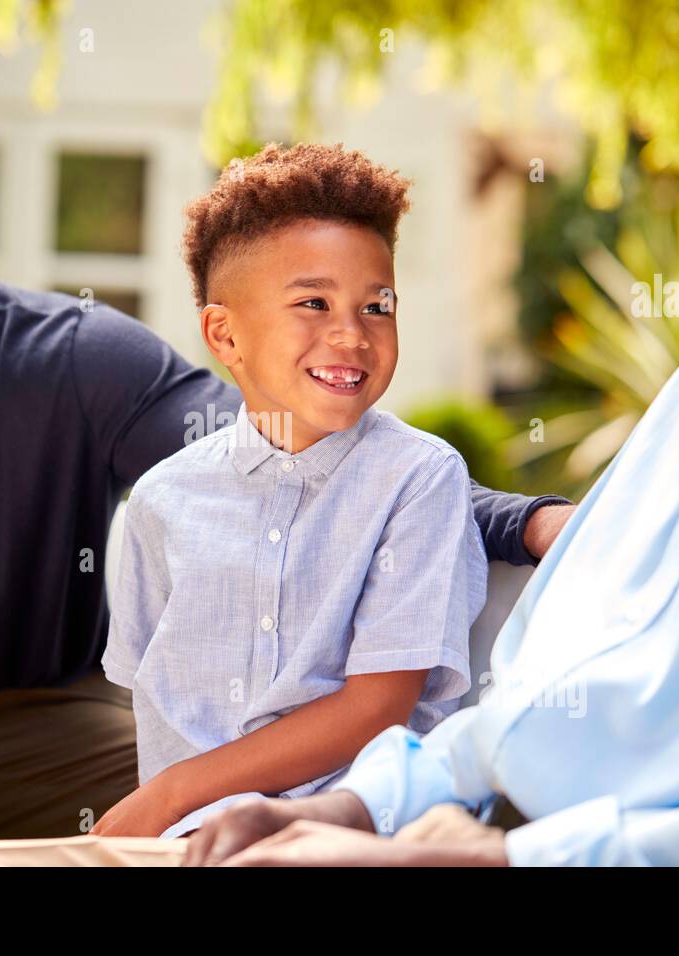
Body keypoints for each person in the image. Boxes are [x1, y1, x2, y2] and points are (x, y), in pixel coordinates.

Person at [0, 0, 679, 868]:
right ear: (221, 333)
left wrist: (464, 851)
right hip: (389, 822)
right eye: (310, 304)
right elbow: (510, 708)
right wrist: (342, 814)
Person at [0, 93, 572, 867]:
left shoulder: (74, 358)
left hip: (63, 720)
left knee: (232, 835)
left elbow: (298, 443)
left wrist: (523, 520)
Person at [89, 143, 488, 840]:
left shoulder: (419, 480)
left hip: (352, 836)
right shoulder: (159, 502)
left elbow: (378, 708)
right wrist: (167, 815)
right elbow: (154, 709)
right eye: (314, 302)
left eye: (376, 306)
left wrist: (174, 796)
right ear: (225, 334)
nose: (351, 335)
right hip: (186, 847)